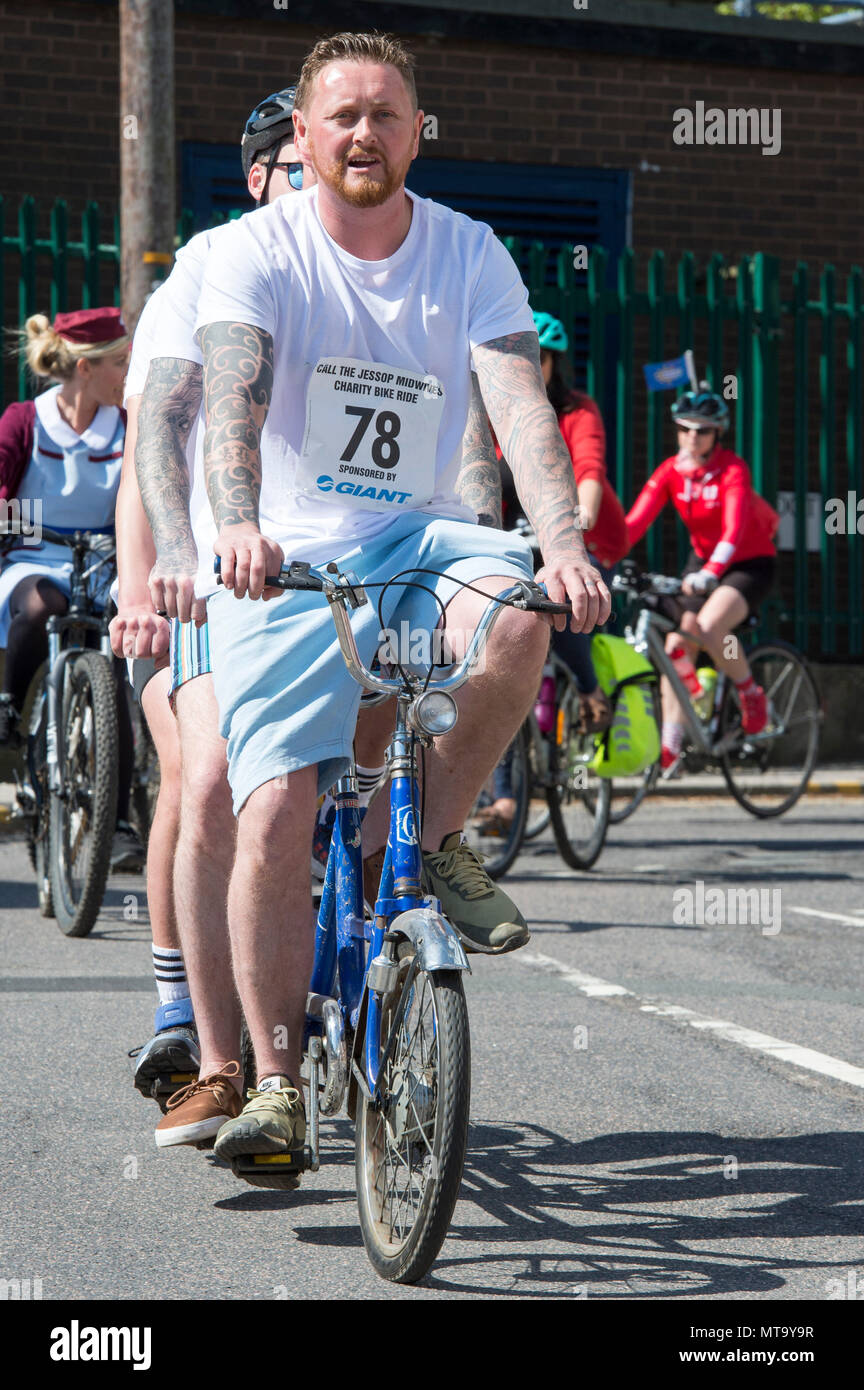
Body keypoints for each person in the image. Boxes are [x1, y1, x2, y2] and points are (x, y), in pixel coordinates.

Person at [173, 30, 608, 1185]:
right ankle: (272, 1082)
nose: (365, 133)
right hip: (290, 553)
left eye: (387, 114)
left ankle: (426, 840)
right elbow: (230, 395)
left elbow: (518, 402)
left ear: (420, 133)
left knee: (522, 608)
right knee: (274, 807)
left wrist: (560, 541)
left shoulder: (470, 251)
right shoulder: (251, 251)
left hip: (421, 539)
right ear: (305, 138)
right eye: (344, 116)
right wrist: (235, 527)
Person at [111, 88, 313, 1125]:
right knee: (203, 781)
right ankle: (187, 1019)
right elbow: (153, 441)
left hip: (324, 575)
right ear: (258, 174)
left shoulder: (362, 268)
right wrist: (142, 584)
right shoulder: (205, 268)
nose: (316, 175)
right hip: (203, 579)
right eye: (293, 160)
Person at [0, 307, 144, 870]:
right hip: (37, 556)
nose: (127, 376)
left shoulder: (128, 422)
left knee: (113, 662)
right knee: (41, 607)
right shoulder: (24, 420)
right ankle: (11, 704)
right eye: (118, 364)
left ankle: (121, 818)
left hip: (108, 562)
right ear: (84, 369)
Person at [477, 310, 628, 833]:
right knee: (492, 648)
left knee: (558, 604)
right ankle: (502, 800)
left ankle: (588, 691)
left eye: (535, 357)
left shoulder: (575, 410)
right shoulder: (489, 406)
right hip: (513, 539)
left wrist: (576, 519)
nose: (522, 365)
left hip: (580, 537)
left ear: (552, 364)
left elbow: (587, 468)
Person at [625, 383, 779, 769]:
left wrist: (712, 572)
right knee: (675, 645)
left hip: (747, 562)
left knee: (710, 628)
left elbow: (734, 529)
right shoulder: (671, 471)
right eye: (685, 428)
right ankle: (671, 745)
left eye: (703, 430)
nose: (693, 437)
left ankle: (750, 693)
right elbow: (632, 525)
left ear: (717, 434)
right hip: (703, 563)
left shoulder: (732, 469)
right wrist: (596, 553)